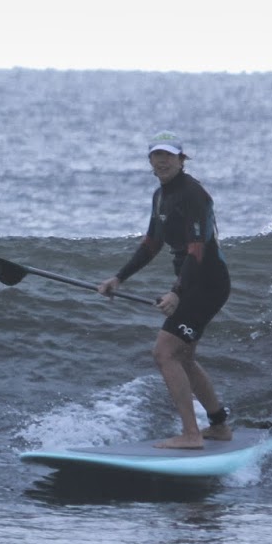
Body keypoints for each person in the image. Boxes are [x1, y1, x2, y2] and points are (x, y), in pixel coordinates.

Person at [98, 131, 233, 449]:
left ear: (181, 160)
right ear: (150, 161)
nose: (162, 161)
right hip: (193, 282)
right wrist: (119, 278)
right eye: (156, 155)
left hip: (208, 282)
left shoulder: (192, 193)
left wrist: (177, 292)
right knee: (183, 356)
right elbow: (152, 244)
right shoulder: (161, 196)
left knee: (164, 352)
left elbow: (197, 249)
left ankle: (191, 434)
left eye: (169, 155)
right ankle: (219, 426)